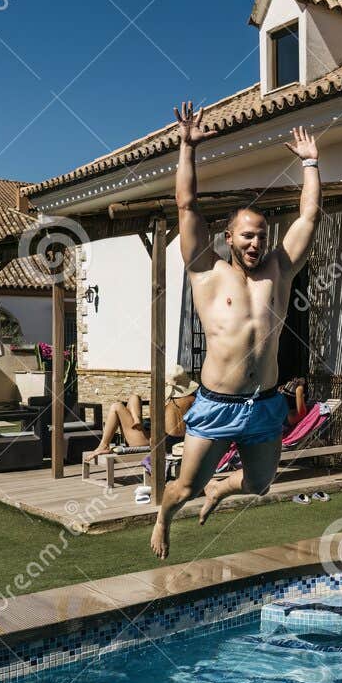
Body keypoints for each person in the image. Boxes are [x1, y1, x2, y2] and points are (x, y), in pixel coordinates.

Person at [149, 102, 322, 558]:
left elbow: (308, 218)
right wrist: (187, 147)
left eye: (262, 236)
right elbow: (187, 204)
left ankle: (223, 489)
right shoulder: (206, 272)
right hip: (216, 404)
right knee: (184, 488)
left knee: (261, 485)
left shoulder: (279, 273)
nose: (255, 243)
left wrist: (309, 163)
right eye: (247, 236)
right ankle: (163, 516)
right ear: (228, 238)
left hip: (264, 403)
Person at [84, 366, 197, 461]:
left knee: (116, 407)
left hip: (152, 444)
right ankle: (136, 418)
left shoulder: (163, 404)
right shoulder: (194, 400)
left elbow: (155, 430)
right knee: (134, 397)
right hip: (181, 443)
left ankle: (104, 445)